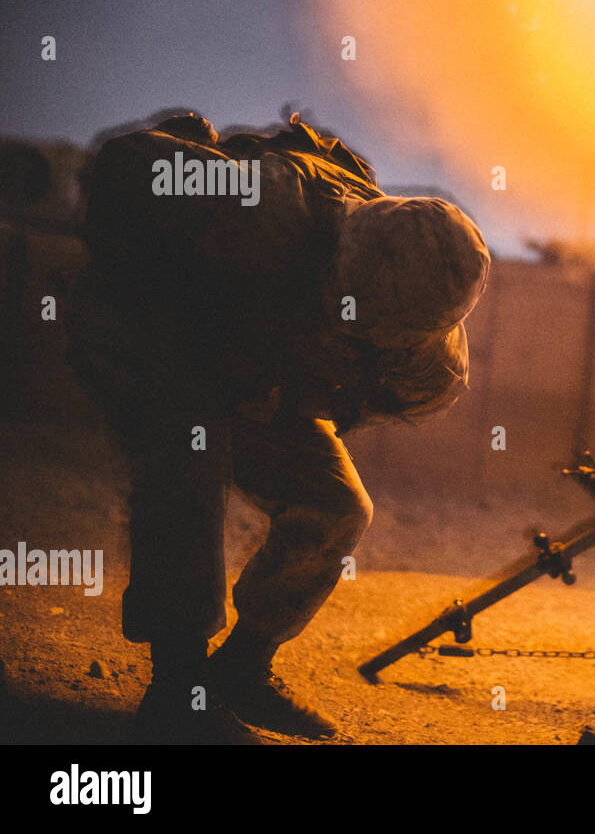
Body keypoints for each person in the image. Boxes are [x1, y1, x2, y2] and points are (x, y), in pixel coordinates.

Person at [66, 112, 490, 743]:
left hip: (256, 382)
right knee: (191, 458)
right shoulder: (270, 203)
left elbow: (347, 408)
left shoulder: (430, 373)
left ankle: (242, 670)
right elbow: (125, 160)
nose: (348, 323)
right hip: (157, 337)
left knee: (341, 508)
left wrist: (283, 396)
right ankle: (178, 687)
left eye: (371, 328)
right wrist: (190, 153)